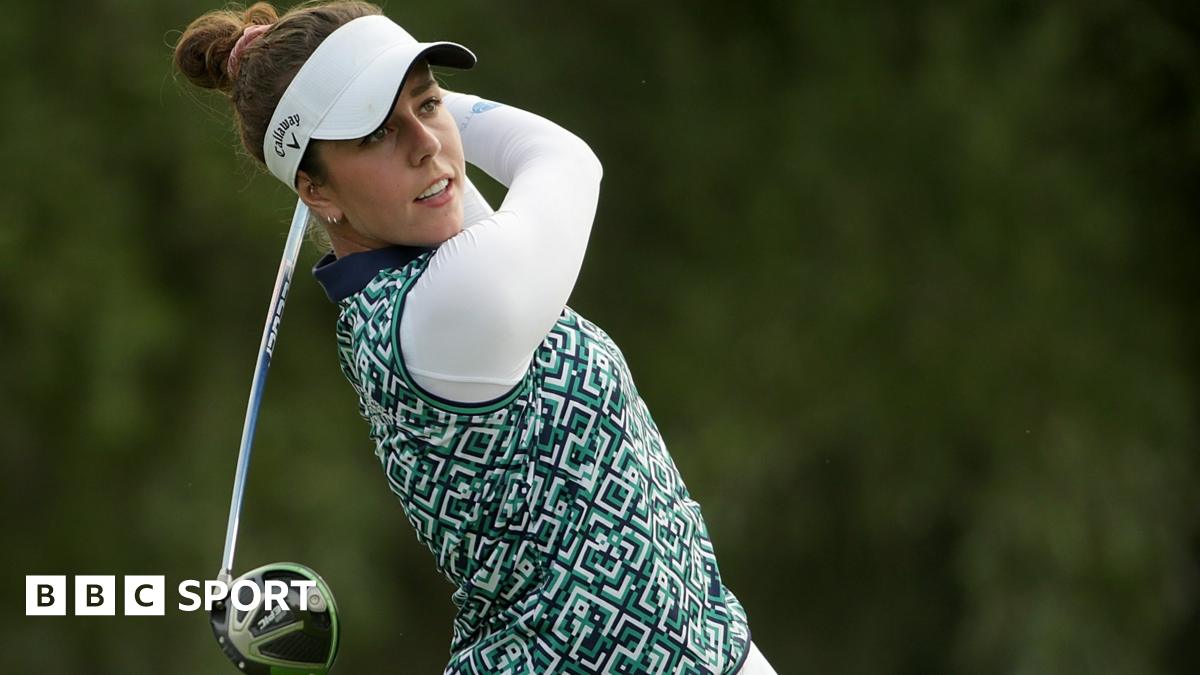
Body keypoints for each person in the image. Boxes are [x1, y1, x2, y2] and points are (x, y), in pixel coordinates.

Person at [174, 2, 776, 673]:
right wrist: (399, 90)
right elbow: (566, 159)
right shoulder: (451, 307)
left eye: (427, 105)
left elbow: (452, 171)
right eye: (374, 134)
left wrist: (377, 84)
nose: (425, 143)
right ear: (316, 191)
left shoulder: (428, 256)